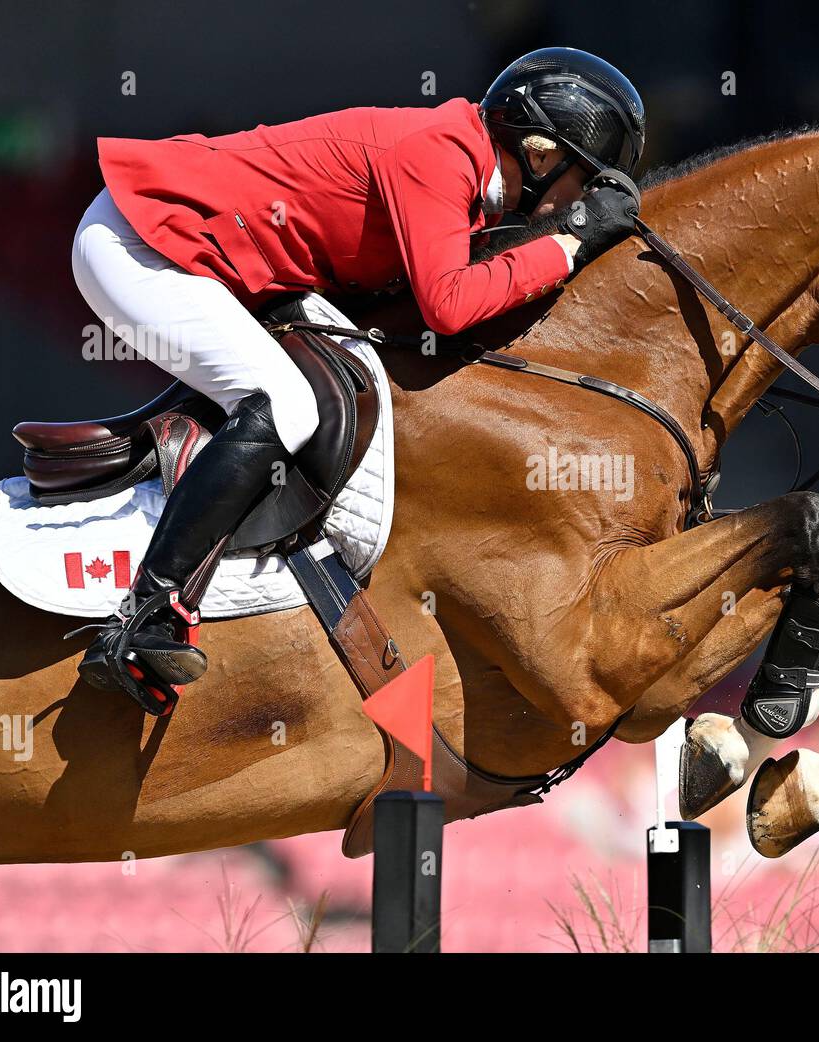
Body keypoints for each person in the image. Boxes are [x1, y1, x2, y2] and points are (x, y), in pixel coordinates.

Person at [71, 47, 646, 714]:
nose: (583, 202)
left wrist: (560, 240)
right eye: (587, 182)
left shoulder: (461, 164)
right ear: (544, 156)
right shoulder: (439, 155)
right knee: (279, 399)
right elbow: (449, 306)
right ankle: (146, 614)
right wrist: (568, 245)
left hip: (186, 249)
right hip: (140, 242)